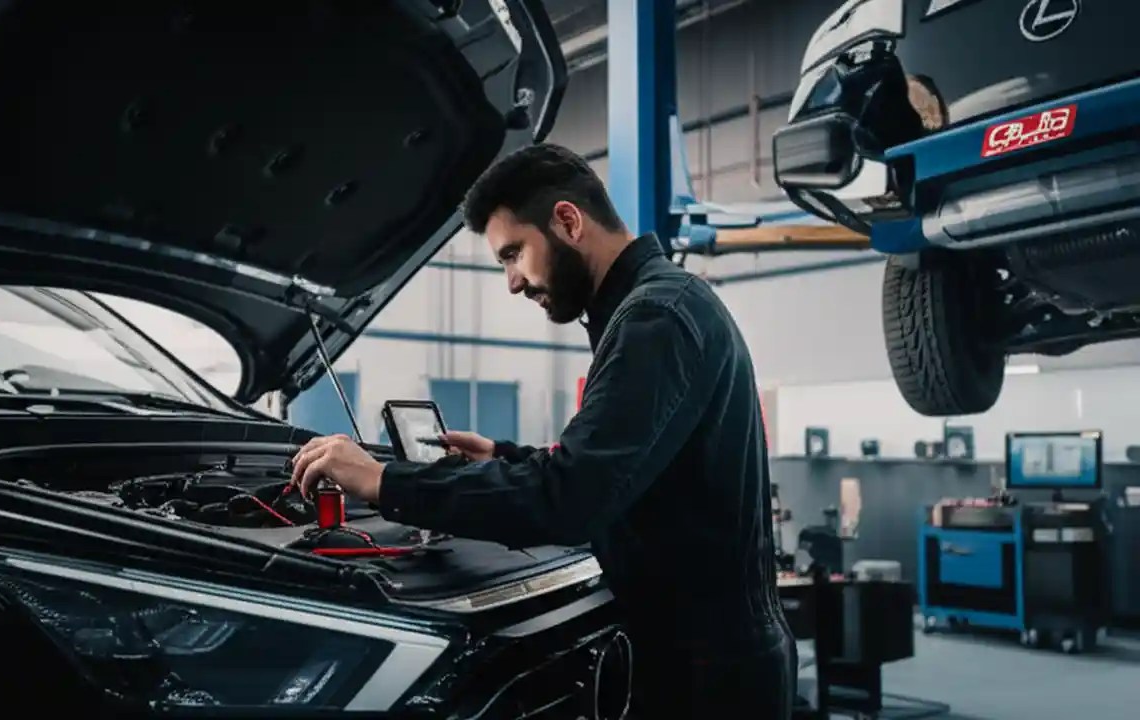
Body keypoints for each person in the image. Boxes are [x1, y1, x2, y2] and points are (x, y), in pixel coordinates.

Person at [291, 143, 796, 717]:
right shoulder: (659, 304)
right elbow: (626, 467)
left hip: (711, 682)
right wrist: (501, 457)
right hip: (707, 657)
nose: (512, 282)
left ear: (567, 220)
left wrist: (385, 482)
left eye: (513, 254)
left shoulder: (654, 319)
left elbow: (569, 498)